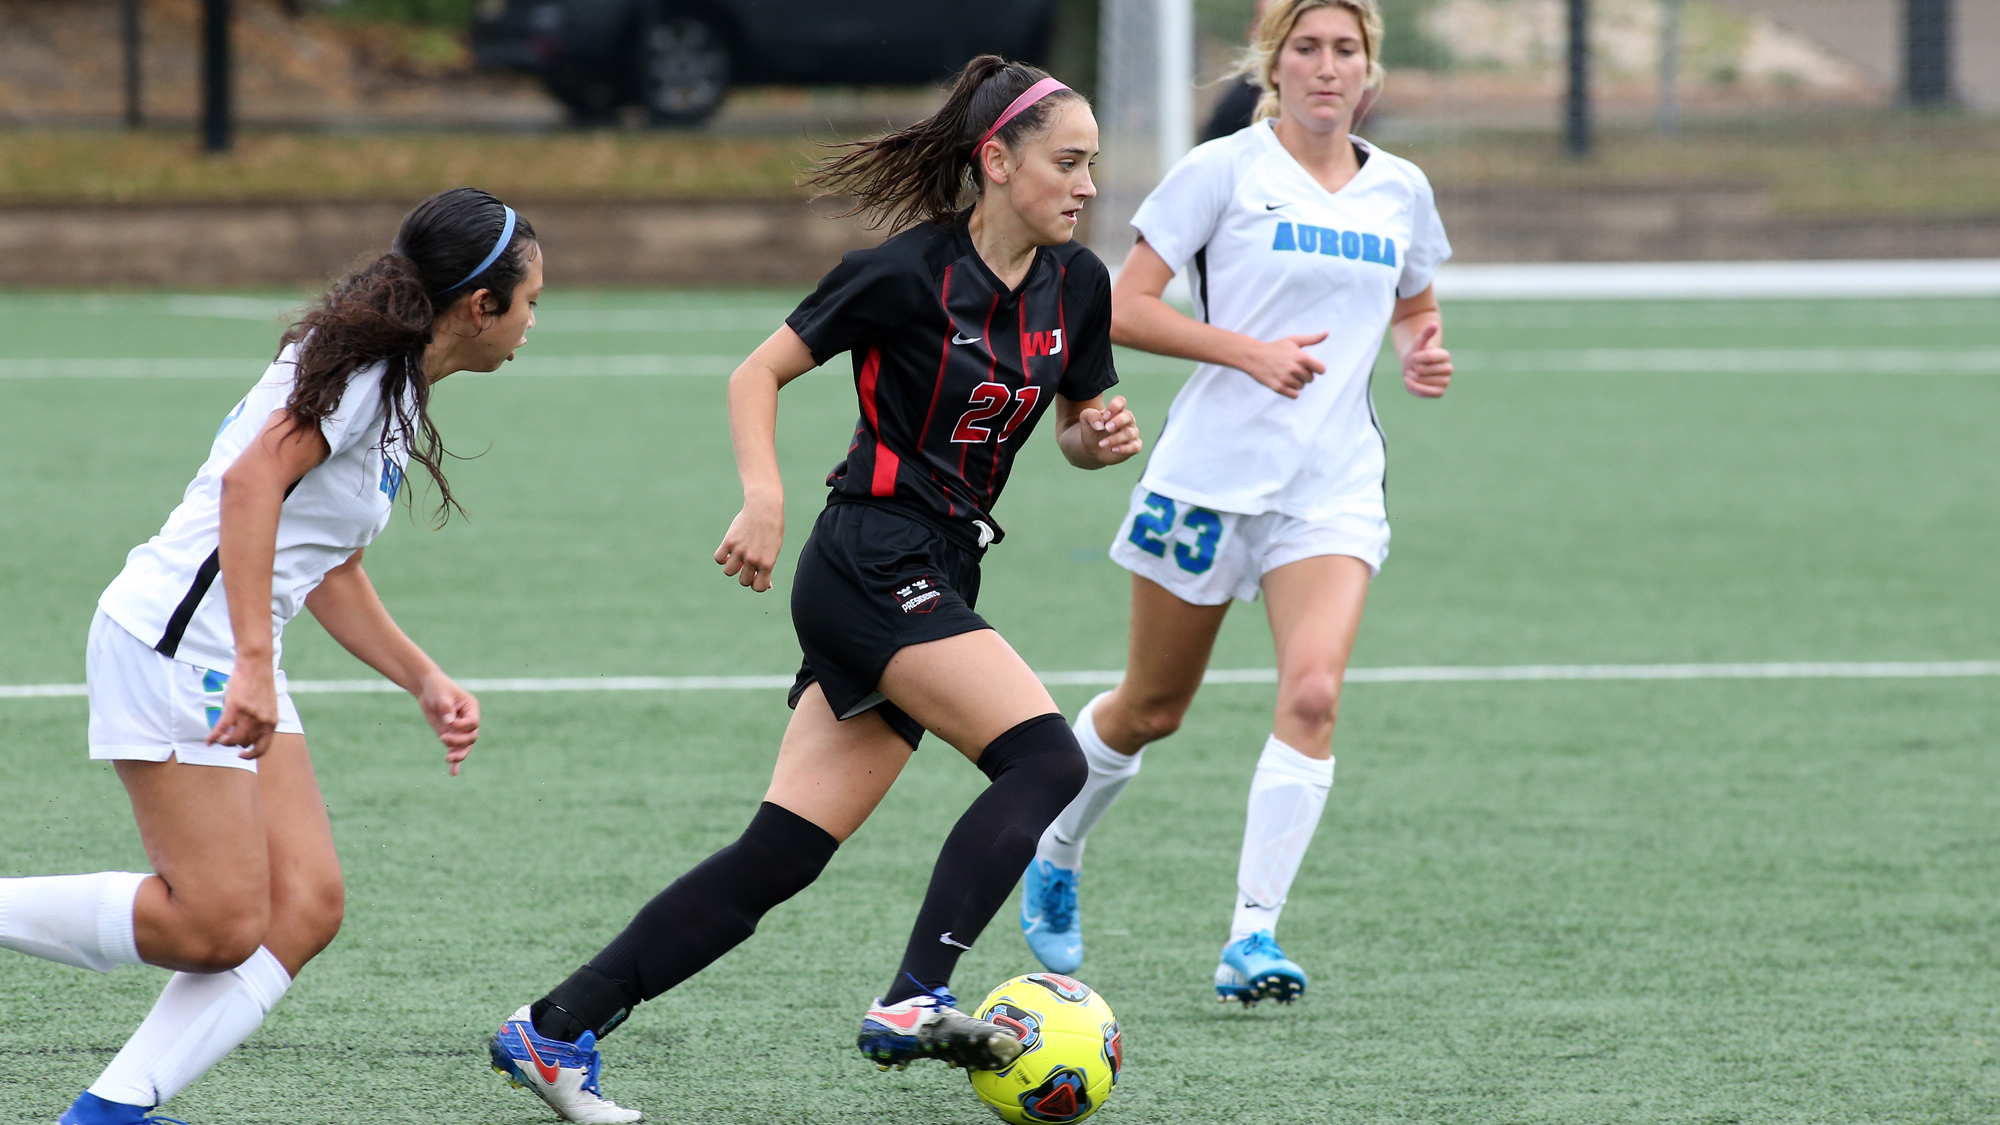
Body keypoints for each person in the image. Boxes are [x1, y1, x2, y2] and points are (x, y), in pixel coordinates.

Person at [486, 55, 1142, 1125]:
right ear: (995, 160)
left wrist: (1094, 437)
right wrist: (762, 496)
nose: (1085, 185)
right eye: (1066, 163)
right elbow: (757, 372)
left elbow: (1073, 428)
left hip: (941, 563)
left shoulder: (1079, 285)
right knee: (1046, 757)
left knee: (779, 854)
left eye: (1093, 167)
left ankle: (553, 1029)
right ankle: (914, 995)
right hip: (871, 558)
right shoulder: (899, 273)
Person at [0, 187, 539, 1124]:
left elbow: (327, 564)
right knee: (213, 923)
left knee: (305, 905)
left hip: (228, 647)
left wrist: (423, 676)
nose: (537, 320)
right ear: (479, 305)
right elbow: (252, 485)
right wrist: (253, 662)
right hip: (178, 644)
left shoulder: (394, 380)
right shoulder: (370, 375)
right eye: (532, 299)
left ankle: (108, 1111)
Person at [1017, 0, 1455, 1007]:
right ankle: (1056, 844)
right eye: (1306, 47)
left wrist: (1418, 347)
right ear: (1275, 64)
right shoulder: (1222, 171)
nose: (1325, 66)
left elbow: (1414, 298)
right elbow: (1117, 306)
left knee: (1311, 694)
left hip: (1330, 490)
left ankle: (1251, 936)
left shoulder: (1400, 189)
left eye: (1344, 49)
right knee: (1150, 709)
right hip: (1207, 479)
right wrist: (1244, 352)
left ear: (1367, 70)